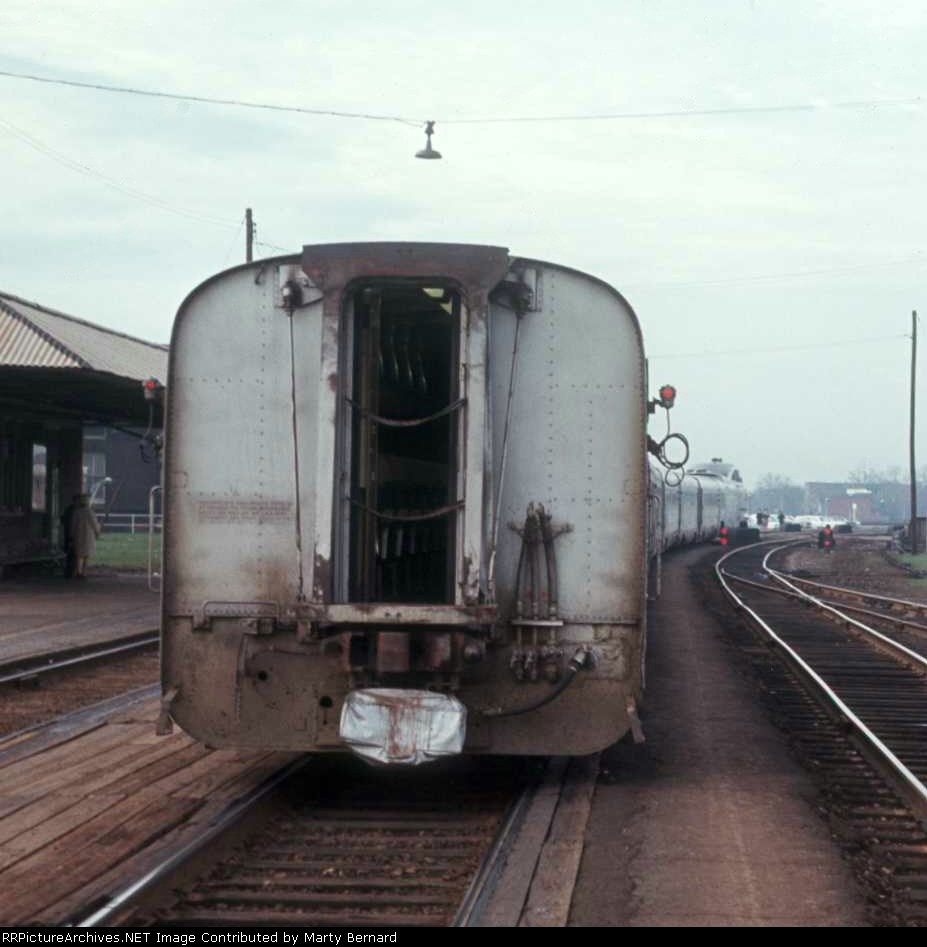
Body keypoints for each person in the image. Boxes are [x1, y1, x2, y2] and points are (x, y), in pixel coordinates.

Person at [68, 494, 101, 578]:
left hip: (78, 535)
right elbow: (94, 524)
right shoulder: (90, 512)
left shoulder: (77, 512)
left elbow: (73, 525)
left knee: (79, 555)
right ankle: (84, 572)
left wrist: (71, 535)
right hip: (88, 536)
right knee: (86, 555)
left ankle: (78, 572)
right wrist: (97, 532)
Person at [59, 494, 79, 578]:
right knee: (72, 553)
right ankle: (71, 571)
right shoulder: (75, 510)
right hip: (72, 534)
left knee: (70, 553)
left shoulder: (69, 509)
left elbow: (62, 519)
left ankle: (69, 571)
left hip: (69, 534)